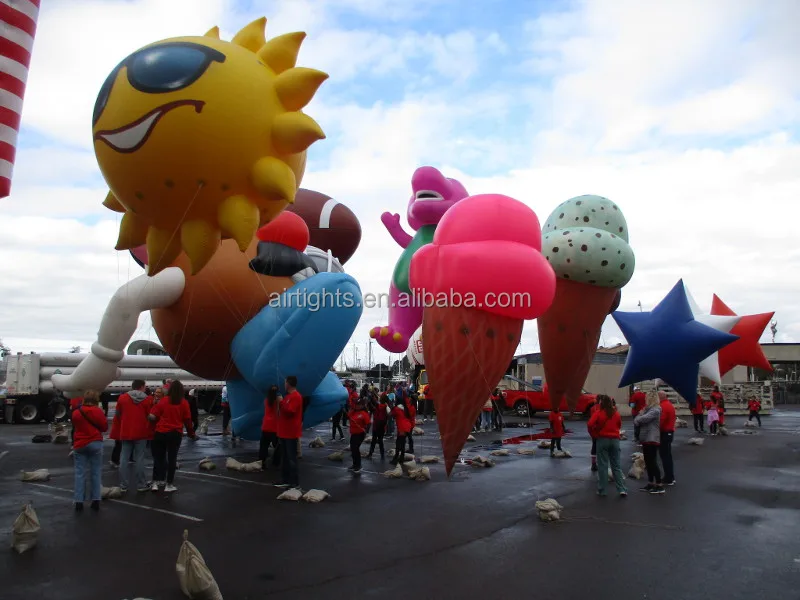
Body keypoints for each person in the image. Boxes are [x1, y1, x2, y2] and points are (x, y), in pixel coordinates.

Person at [148, 380, 196, 493]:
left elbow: (152, 416)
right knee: (172, 458)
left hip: (160, 432)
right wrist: (191, 433)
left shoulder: (164, 401)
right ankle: (169, 484)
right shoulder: (183, 403)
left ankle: (155, 482)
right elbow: (188, 420)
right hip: (175, 433)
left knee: (158, 458)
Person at [115, 379, 153, 493]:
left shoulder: (122, 398)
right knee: (139, 458)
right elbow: (150, 416)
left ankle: (123, 485)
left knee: (124, 458)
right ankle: (141, 484)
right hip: (141, 432)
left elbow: (118, 414)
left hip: (126, 431)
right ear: (141, 387)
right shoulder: (147, 399)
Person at [71, 390, 107, 511]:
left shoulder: (76, 413)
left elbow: (75, 427)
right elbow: (104, 427)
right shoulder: (98, 411)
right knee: (96, 472)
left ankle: (79, 501)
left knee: (80, 473)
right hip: (95, 442)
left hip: (80, 443)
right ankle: (96, 500)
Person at [587, 394, 627, 497]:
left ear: (601, 403)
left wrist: (594, 434)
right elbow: (619, 425)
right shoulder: (616, 414)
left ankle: (602, 490)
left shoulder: (598, 413)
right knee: (616, 466)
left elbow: (590, 424)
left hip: (602, 439)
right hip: (615, 440)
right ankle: (621, 489)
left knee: (603, 466)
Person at [633, 390, 664, 494]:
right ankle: (651, 483)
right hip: (646, 438)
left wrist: (639, 417)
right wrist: (639, 417)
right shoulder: (647, 409)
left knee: (653, 462)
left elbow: (642, 419)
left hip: (652, 438)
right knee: (648, 462)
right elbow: (638, 418)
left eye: (647, 397)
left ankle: (659, 485)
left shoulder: (656, 410)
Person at [275, 376, 303, 489]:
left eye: (285, 382)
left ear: (288, 384)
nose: (284, 384)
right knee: (285, 458)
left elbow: (290, 411)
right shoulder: (288, 396)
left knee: (291, 458)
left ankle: (295, 483)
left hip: (290, 432)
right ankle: (285, 480)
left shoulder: (296, 397)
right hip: (284, 431)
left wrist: (281, 402)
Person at [259, 386, 281, 469]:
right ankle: (276, 463)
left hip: (266, 426)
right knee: (278, 446)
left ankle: (262, 462)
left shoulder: (266, 401)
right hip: (275, 426)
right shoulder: (278, 401)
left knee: (263, 446)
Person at [658, 390, 676, 486]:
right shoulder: (669, 404)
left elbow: (661, 421)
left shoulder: (663, 406)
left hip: (665, 433)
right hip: (669, 432)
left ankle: (668, 478)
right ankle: (670, 476)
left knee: (665, 456)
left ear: (660, 397)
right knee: (667, 455)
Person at [348, 398, 371, 474]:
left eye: (359, 405)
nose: (357, 406)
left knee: (355, 448)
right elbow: (348, 416)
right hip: (353, 433)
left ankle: (358, 465)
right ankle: (354, 464)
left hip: (360, 433)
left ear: (362, 405)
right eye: (357, 405)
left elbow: (368, 423)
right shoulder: (353, 412)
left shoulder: (364, 413)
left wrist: (366, 431)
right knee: (353, 449)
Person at [367, 392, 389, 460]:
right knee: (379, 441)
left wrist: (371, 400)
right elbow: (375, 406)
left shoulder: (382, 406)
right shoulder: (384, 406)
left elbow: (376, 405)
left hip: (378, 426)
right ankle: (381, 455)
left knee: (375, 440)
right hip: (380, 426)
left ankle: (371, 454)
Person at [391, 400, 412, 466]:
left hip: (402, 428)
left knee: (398, 444)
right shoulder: (404, 409)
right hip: (407, 426)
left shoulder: (396, 409)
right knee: (402, 443)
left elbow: (390, 414)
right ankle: (401, 459)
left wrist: (391, 407)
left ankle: (396, 459)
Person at [589, 401, 601, 472]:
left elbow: (590, 423)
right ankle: (601, 464)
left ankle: (593, 463)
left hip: (594, 431)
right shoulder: (604, 409)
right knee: (602, 448)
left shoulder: (592, 408)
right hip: (601, 432)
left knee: (594, 446)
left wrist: (591, 432)